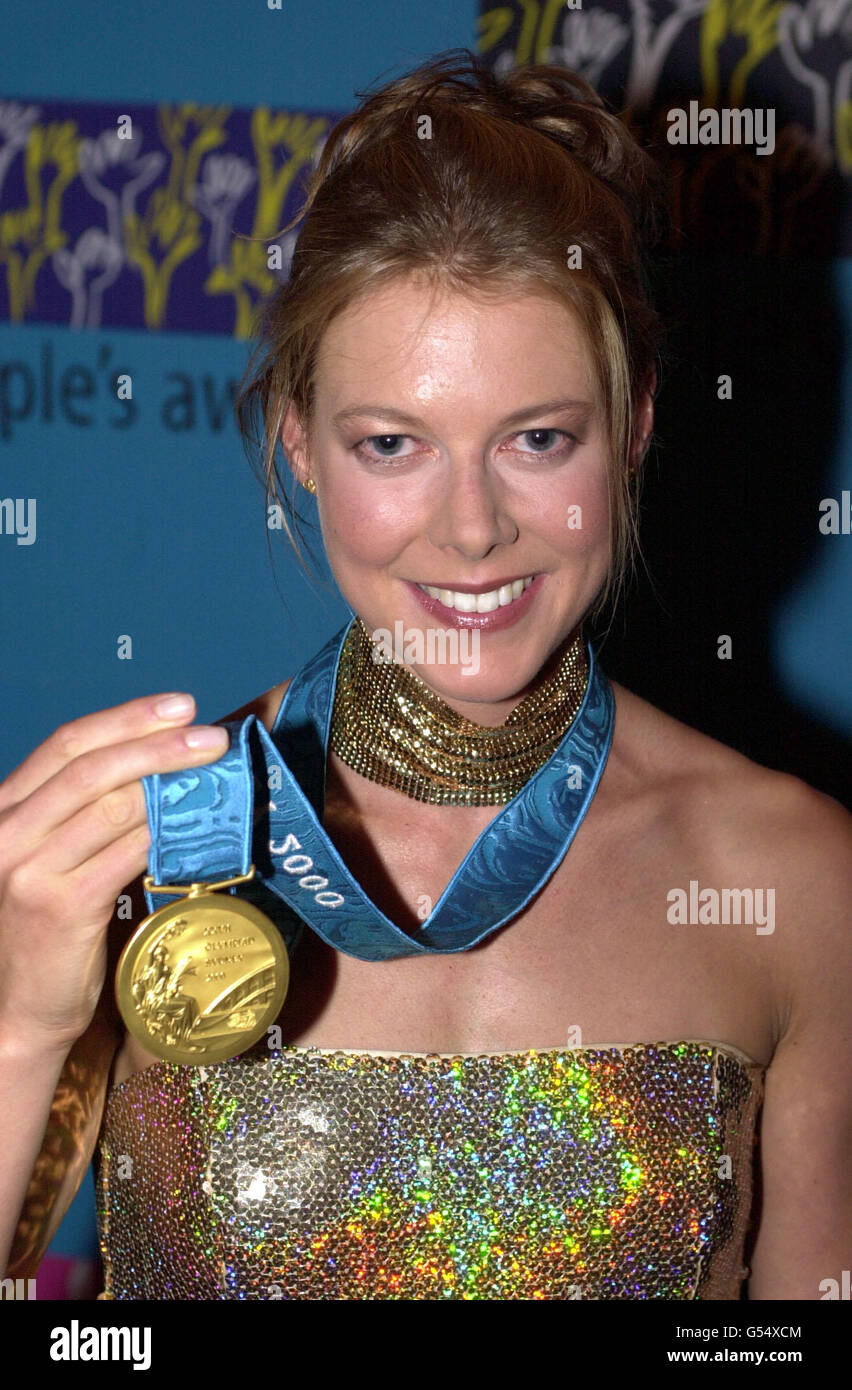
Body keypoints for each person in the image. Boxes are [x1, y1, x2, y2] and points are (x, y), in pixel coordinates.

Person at [2, 51, 850, 1302]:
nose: (470, 528)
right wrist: (21, 1019)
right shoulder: (131, 857)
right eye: (392, 442)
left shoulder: (793, 877)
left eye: (538, 439)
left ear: (638, 429)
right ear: (296, 437)